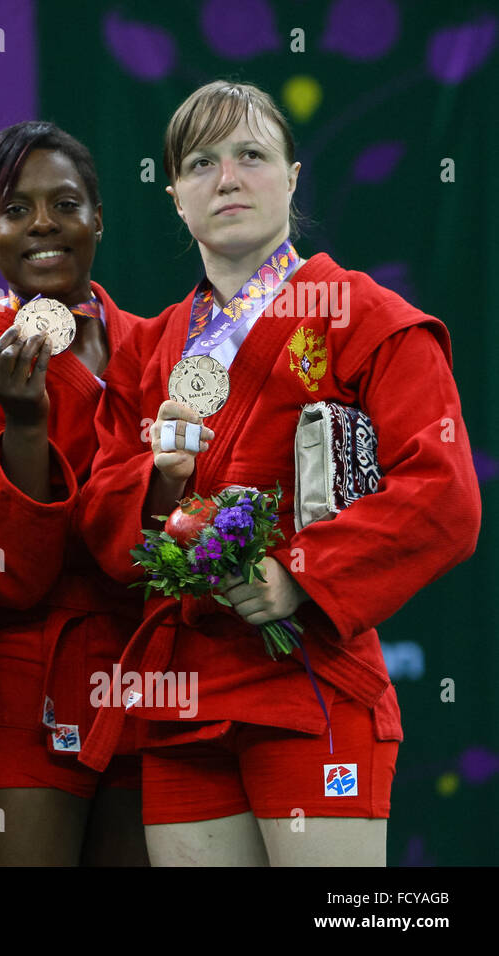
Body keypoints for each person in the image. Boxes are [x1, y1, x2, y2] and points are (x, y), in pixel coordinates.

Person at [77, 80, 482, 865]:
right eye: (201, 163)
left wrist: (297, 573)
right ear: (175, 198)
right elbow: (99, 518)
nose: (227, 178)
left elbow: (444, 496)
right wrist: (158, 484)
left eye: (251, 156)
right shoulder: (147, 350)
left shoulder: (370, 319)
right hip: (183, 696)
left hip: (310, 678)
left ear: (294, 178)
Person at [0, 122, 148, 866]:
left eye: (65, 203)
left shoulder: (160, 347)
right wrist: (24, 426)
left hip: (153, 680)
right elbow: (5, 578)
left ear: (99, 218)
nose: (43, 223)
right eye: (16, 209)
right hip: (23, 695)